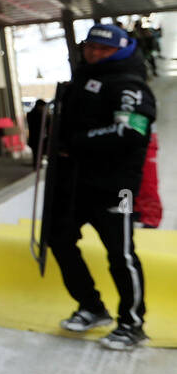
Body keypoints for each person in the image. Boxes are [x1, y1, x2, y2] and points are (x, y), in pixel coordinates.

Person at [48, 23, 156, 350]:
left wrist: (77, 143)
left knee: (120, 254)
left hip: (116, 188)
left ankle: (132, 323)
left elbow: (130, 132)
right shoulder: (80, 80)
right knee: (58, 239)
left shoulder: (130, 85)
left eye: (104, 49)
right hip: (77, 184)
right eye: (90, 46)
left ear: (121, 50)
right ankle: (92, 307)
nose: (94, 53)